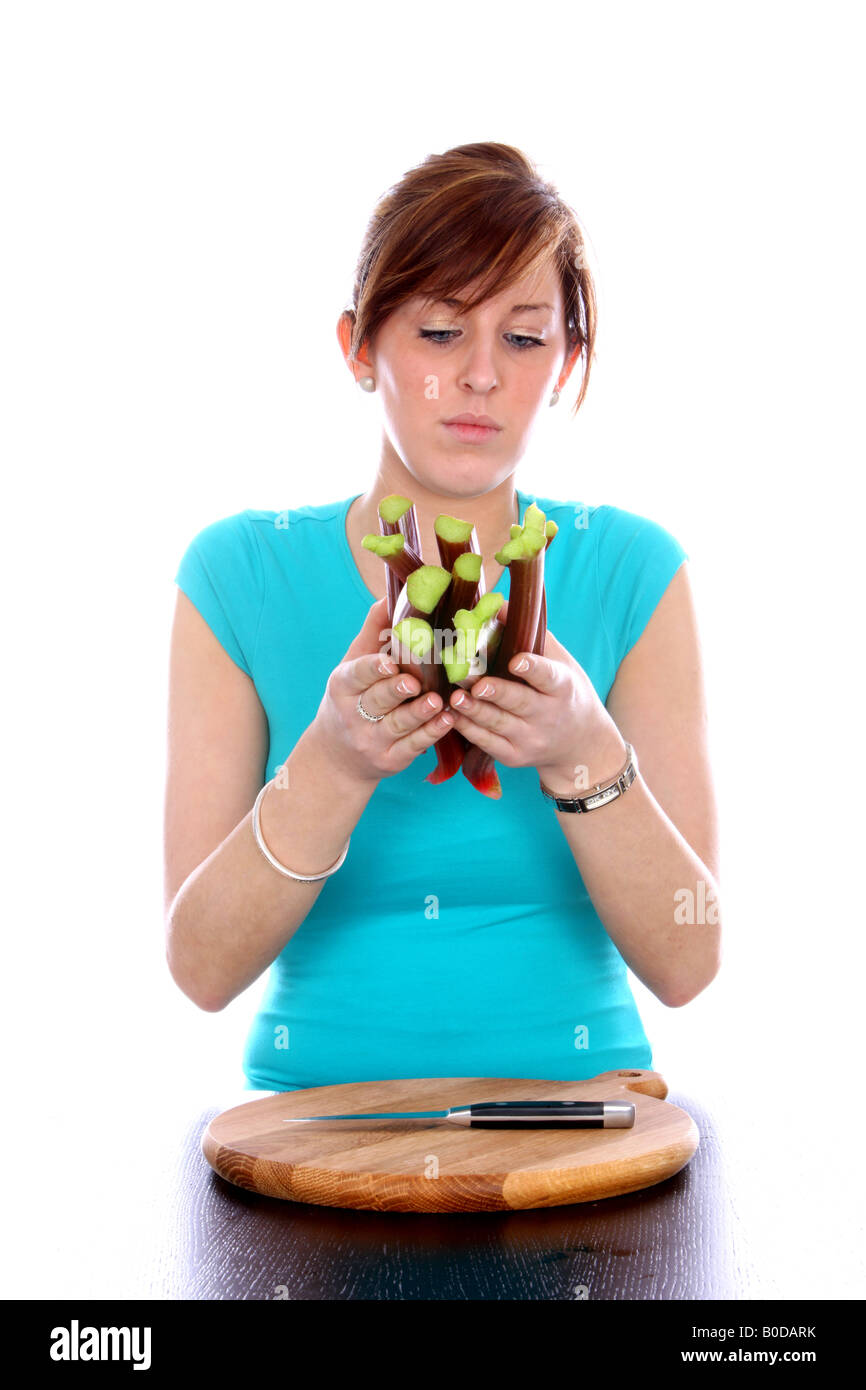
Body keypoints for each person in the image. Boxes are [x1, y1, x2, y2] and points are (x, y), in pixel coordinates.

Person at [164, 141, 721, 1095]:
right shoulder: (237, 572)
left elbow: (689, 961)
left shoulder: (636, 568)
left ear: (566, 360)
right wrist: (333, 762)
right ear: (356, 346)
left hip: (583, 1139)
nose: (477, 377)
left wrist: (582, 749)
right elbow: (202, 969)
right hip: (315, 1146)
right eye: (437, 333)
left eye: (523, 336)